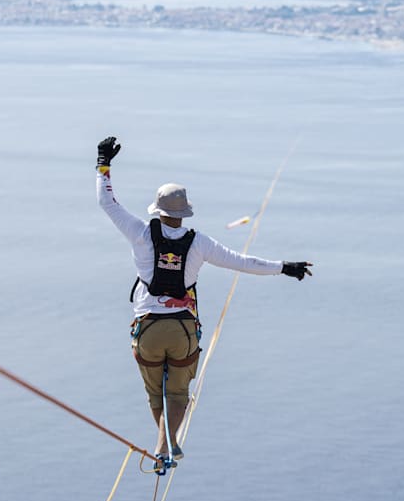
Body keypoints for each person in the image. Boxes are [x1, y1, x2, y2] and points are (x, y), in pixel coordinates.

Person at [95, 136, 312, 473]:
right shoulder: (200, 244)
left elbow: (107, 203)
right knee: (178, 393)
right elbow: (243, 262)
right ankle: (168, 444)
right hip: (182, 329)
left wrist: (103, 164)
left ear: (157, 210)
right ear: (183, 214)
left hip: (148, 327)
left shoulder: (139, 233)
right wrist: (284, 267)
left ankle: (162, 443)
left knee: (156, 393)